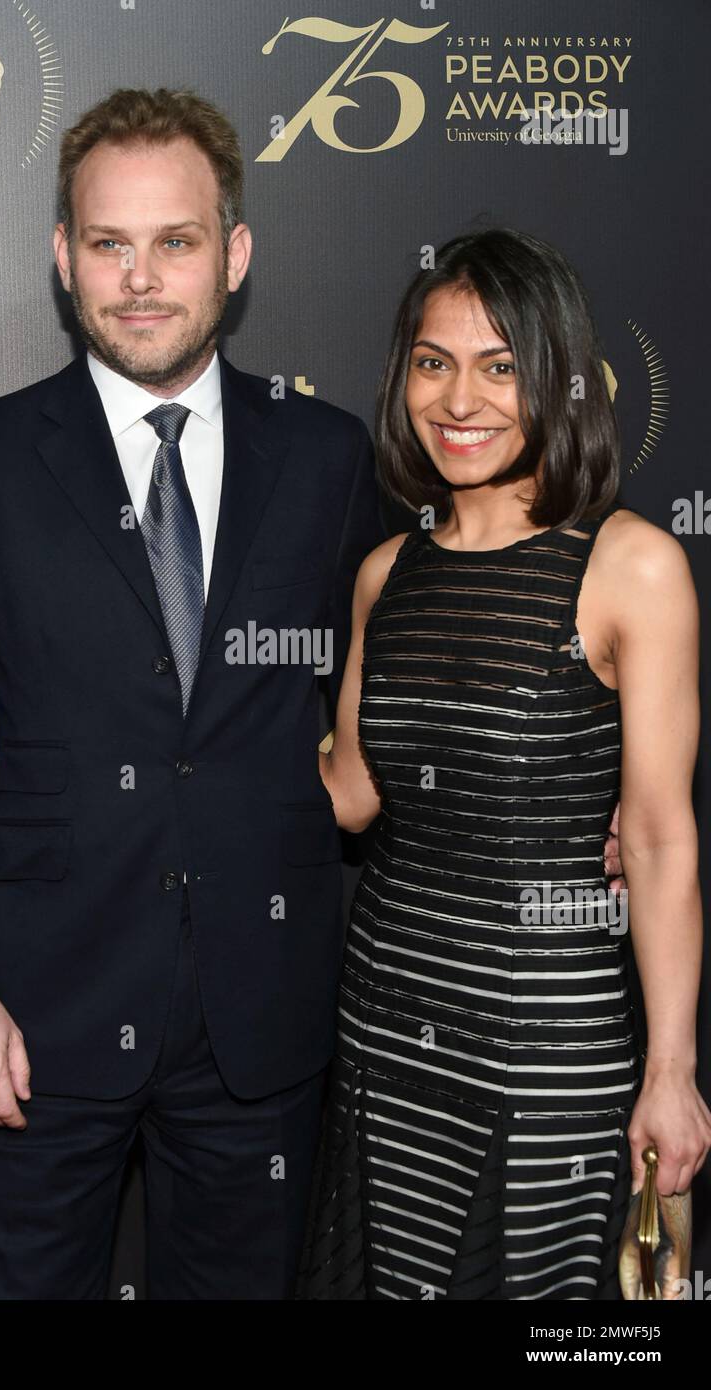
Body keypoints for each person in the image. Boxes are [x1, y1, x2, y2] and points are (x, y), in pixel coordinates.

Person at [0, 87, 385, 1300]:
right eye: (110, 243)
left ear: (235, 255)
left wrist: (586, 803)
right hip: (36, 1015)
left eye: (177, 241)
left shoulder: (327, 459)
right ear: (65, 258)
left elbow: (393, 695)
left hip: (261, 1015)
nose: (142, 278)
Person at [297, 228, 711, 1300]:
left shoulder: (631, 566)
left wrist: (671, 1068)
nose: (459, 399)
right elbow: (349, 797)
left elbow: (660, 833)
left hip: (548, 1054)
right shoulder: (388, 573)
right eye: (433, 362)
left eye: (500, 366)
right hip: (388, 1038)